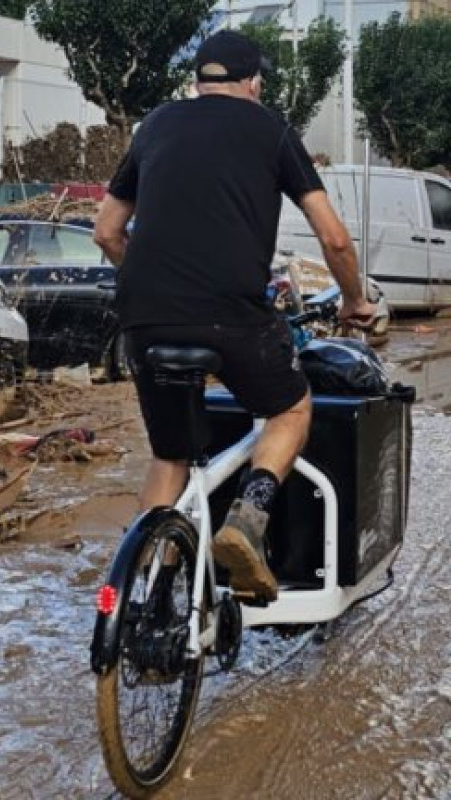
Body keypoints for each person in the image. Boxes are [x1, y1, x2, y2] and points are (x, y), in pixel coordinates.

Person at [93, 30, 377, 602]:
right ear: (254, 83)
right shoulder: (270, 129)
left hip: (143, 316)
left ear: (199, 80)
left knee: (171, 454)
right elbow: (336, 239)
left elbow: (106, 230)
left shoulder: (155, 126)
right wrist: (354, 302)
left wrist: (154, 284)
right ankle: (247, 521)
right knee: (291, 407)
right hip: (230, 314)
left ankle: (143, 599)